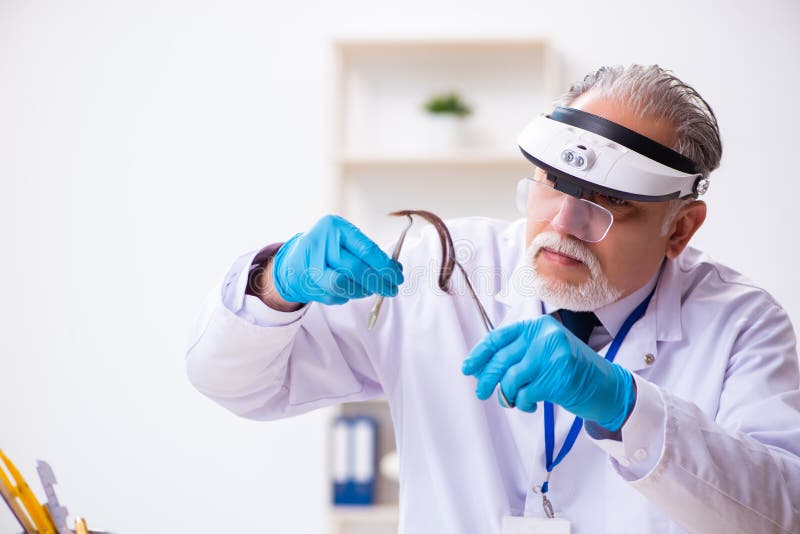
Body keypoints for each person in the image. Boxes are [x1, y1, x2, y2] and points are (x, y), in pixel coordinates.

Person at [185, 65, 800, 533]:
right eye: (553, 184)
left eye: (613, 205)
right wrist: (276, 287)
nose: (564, 223)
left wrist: (623, 405)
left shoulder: (742, 324)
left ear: (681, 228)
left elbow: (783, 512)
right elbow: (236, 385)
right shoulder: (441, 268)